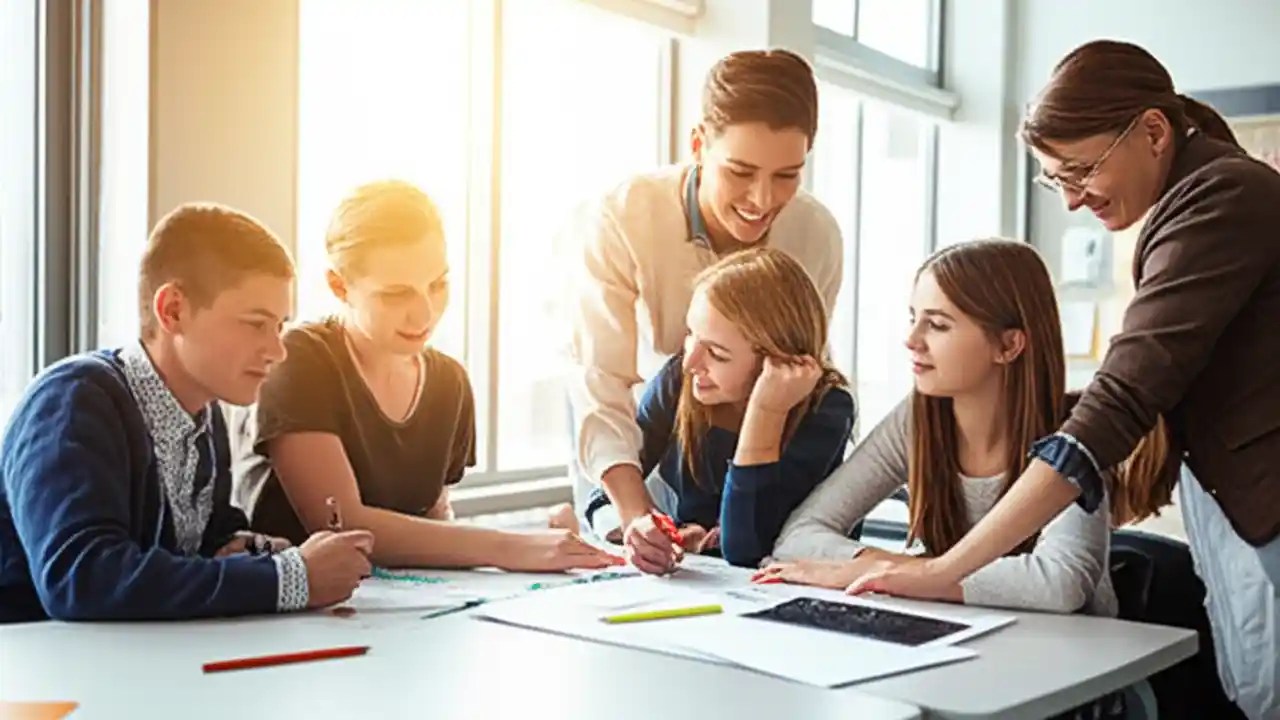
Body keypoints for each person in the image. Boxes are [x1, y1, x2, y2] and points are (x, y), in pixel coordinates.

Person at [846, 40, 1280, 720]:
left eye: (1080, 172)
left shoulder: (1221, 196)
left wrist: (942, 569)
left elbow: (1129, 391)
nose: (1074, 201)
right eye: (1056, 180)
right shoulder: (1193, 200)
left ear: (1154, 132)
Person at [0, 203, 373, 623]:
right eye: (255, 324)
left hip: (130, 664)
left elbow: (206, 540)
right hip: (35, 671)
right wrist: (288, 579)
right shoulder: (73, 400)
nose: (277, 351)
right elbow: (82, 579)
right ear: (173, 310)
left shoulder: (205, 415)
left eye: (280, 326)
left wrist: (242, 546)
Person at [758, 239, 1164, 618]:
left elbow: (1059, 583)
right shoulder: (917, 420)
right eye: (914, 318)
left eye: (937, 325)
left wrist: (918, 574)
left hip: (1075, 671)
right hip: (958, 642)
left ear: (1008, 346)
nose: (911, 340)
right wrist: (905, 571)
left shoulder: (1077, 435)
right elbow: (799, 537)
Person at [232, 180, 620, 572]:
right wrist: (510, 546)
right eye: (395, 294)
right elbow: (341, 526)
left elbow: (433, 529)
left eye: (438, 285)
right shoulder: (298, 359)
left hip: (394, 607)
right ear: (339, 286)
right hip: (285, 610)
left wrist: (536, 535)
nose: (424, 313)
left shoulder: (448, 383)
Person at [560, 48, 845, 574]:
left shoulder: (816, 234)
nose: (762, 199)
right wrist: (636, 518)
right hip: (650, 435)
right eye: (740, 171)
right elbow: (600, 382)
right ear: (698, 145)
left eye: (787, 175)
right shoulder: (625, 217)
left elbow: (800, 389)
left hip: (761, 465)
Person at [570, 248, 854, 571]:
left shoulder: (826, 409)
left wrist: (766, 411)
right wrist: (642, 527)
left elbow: (746, 547)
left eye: (717, 353)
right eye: (691, 335)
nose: (690, 362)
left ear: (775, 361)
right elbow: (603, 497)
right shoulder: (679, 380)